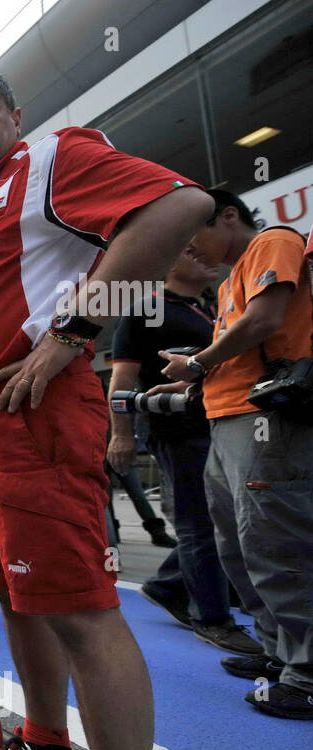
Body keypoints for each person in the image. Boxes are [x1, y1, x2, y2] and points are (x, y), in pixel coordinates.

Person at [0, 67, 215, 750]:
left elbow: (181, 205)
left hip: (33, 415)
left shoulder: (50, 158)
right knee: (20, 596)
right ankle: (49, 749)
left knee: (83, 609)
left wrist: (74, 332)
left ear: (16, 116)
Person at [158, 190, 313, 719]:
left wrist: (197, 363)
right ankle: (278, 653)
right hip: (228, 420)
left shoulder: (272, 242)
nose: (189, 252)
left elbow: (265, 321)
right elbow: (237, 349)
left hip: (266, 420)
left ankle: (308, 673)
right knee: (241, 549)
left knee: (277, 544)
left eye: (191, 237)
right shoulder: (229, 281)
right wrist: (188, 383)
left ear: (228, 215)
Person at [107, 251, 257, 654]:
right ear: (172, 261)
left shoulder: (213, 305)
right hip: (176, 427)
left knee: (225, 520)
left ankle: (169, 585)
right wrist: (121, 434)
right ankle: (211, 617)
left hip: (219, 421)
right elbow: (123, 375)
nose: (207, 258)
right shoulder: (147, 309)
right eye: (192, 251)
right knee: (198, 523)